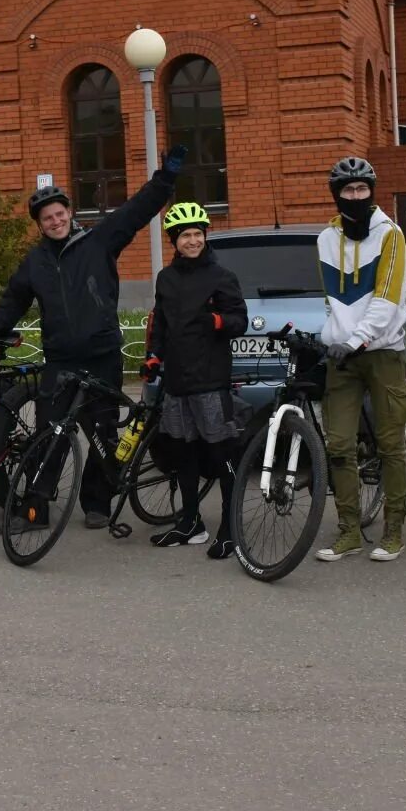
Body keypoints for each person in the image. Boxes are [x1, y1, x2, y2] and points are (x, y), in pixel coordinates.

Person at [0, 144, 185, 529]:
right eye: (48, 218)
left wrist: (166, 178)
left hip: (101, 355)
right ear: (40, 224)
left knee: (103, 432)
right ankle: (35, 510)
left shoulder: (98, 241)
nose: (56, 221)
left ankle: (97, 502)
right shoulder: (36, 262)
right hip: (61, 361)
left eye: (60, 214)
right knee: (48, 437)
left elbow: (137, 211)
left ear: (70, 214)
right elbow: (13, 299)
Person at [312, 157, 406, 563]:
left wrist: (357, 339)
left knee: (390, 444)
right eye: (347, 190)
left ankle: (393, 531)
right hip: (343, 356)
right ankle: (349, 531)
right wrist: (333, 337)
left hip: (383, 351)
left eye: (361, 189)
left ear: (372, 191)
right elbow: (332, 300)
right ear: (336, 195)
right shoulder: (324, 239)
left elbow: (387, 297)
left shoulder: (391, 234)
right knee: (338, 444)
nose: (355, 196)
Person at [141, 203, 248, 554]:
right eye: (185, 235)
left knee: (221, 455)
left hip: (210, 381)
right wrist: (154, 356)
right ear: (175, 240)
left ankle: (231, 529)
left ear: (205, 236)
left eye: (197, 234)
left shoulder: (221, 276)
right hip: (177, 382)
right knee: (182, 454)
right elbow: (160, 324)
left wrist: (217, 321)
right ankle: (190, 523)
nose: (192, 241)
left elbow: (239, 320)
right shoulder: (166, 279)